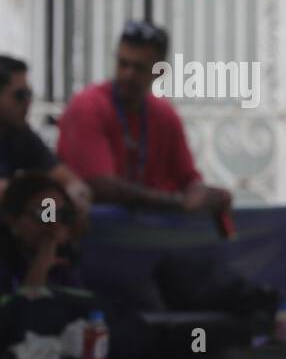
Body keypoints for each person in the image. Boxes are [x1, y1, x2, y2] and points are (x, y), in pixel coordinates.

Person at [55, 20, 232, 215]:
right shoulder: (87, 106)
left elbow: (188, 179)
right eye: (123, 64)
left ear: (160, 72)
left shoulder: (164, 114)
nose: (128, 75)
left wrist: (205, 195)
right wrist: (178, 202)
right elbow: (100, 186)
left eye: (139, 68)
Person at [0, 56, 91, 215]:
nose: (28, 102)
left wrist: (76, 199)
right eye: (20, 95)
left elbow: (70, 181)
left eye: (30, 94)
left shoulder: (20, 134)